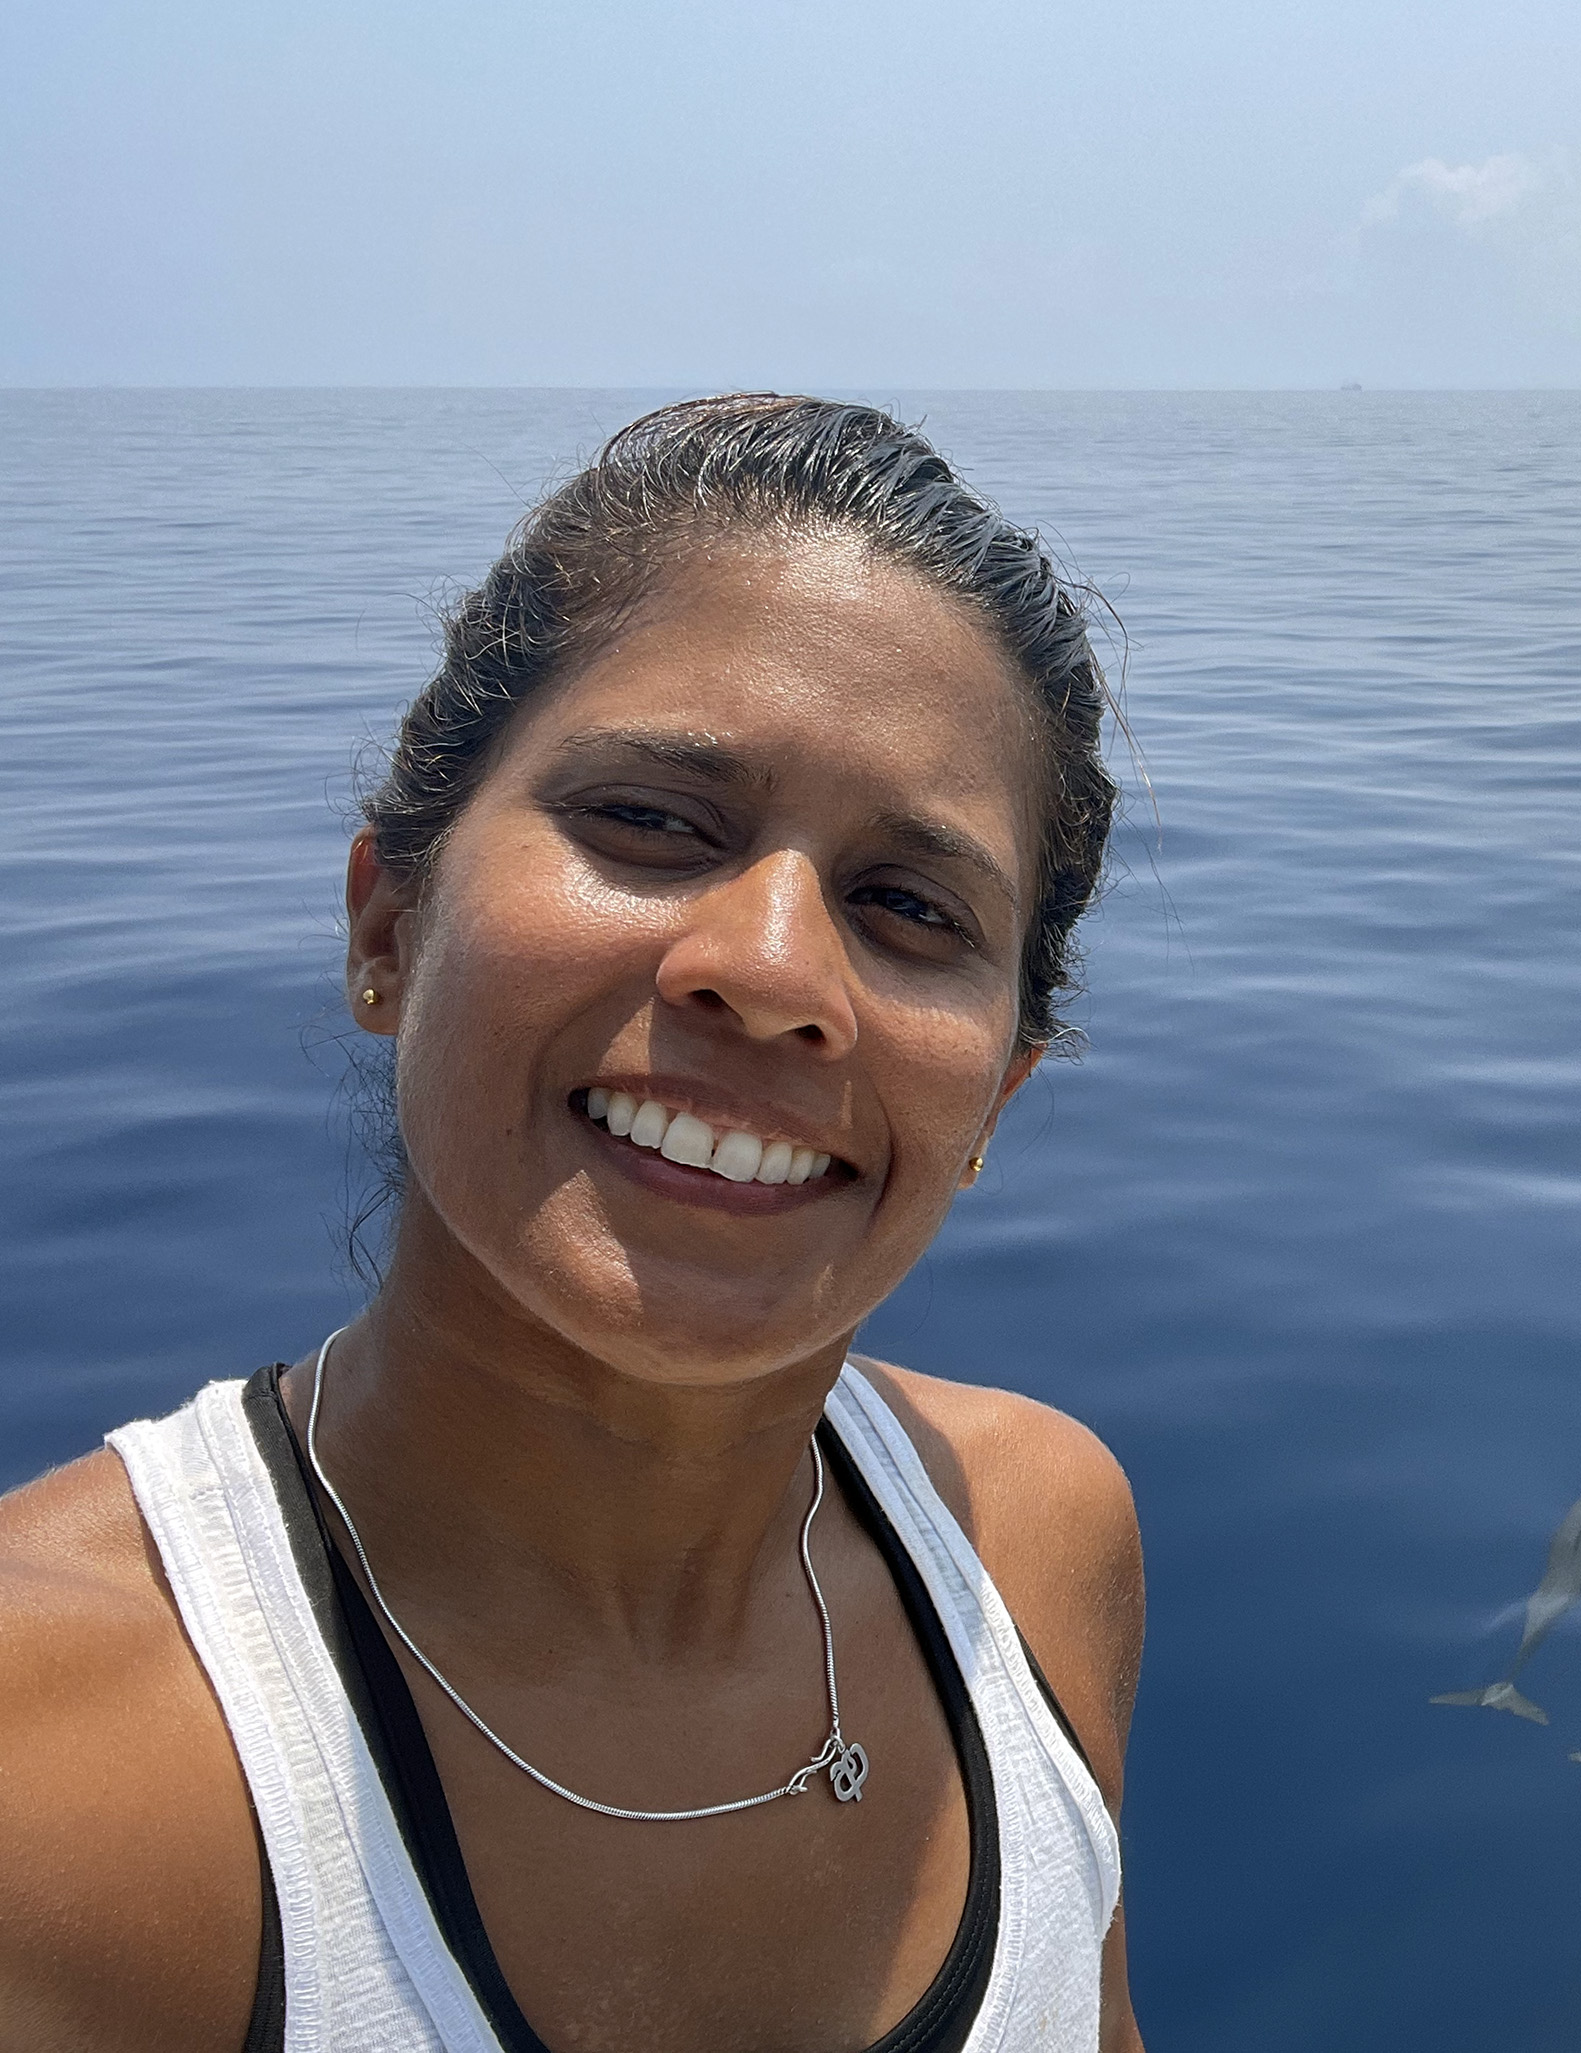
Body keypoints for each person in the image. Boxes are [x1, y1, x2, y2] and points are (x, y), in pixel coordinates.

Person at [0, 396, 1145, 2053]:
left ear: (995, 1109)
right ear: (390, 920)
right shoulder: (54, 1762)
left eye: (909, 906)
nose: (767, 970)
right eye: (653, 822)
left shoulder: (1036, 1539)